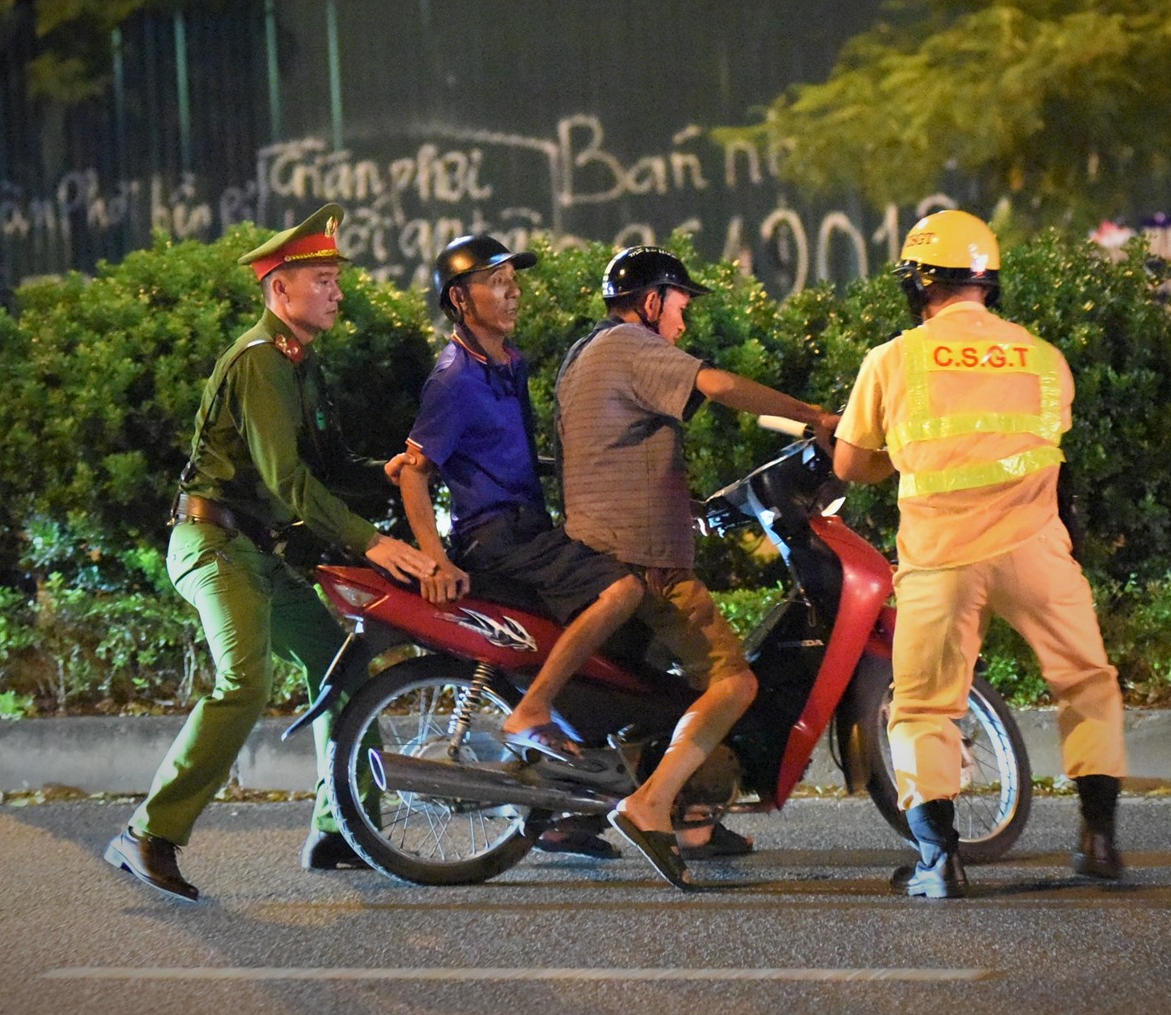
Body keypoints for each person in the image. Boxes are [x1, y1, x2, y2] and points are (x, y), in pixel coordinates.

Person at [105, 204, 437, 903]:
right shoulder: (260, 361)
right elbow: (287, 481)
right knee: (244, 682)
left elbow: (326, 466)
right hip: (215, 543)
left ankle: (342, 826)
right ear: (279, 289)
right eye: (322, 280)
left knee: (342, 666)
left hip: (260, 551)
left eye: (336, 280)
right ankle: (148, 833)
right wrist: (374, 541)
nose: (337, 292)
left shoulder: (299, 364)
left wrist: (385, 472)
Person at [831, 209, 1128, 899]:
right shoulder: (1043, 357)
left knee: (925, 706)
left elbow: (851, 465)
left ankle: (941, 861)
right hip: (1036, 549)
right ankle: (1099, 840)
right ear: (987, 281)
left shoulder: (893, 359)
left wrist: (896, 454)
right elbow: (1039, 441)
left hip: (942, 558)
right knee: (1086, 682)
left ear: (919, 283)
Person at [556, 245, 839, 888]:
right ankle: (651, 804)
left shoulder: (586, 353)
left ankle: (688, 814)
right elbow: (719, 384)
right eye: (679, 307)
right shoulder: (633, 344)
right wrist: (815, 416)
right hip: (645, 562)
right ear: (651, 301)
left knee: (661, 692)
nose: (683, 324)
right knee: (733, 683)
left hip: (599, 550)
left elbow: (616, 449)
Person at [391, 235, 647, 854]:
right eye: (497, 282)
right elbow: (413, 474)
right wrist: (435, 560)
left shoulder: (509, 363)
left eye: (513, 281)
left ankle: (570, 813)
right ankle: (532, 710)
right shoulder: (454, 378)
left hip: (531, 527)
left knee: (621, 648)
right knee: (623, 591)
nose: (513, 292)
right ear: (460, 299)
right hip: (496, 537)